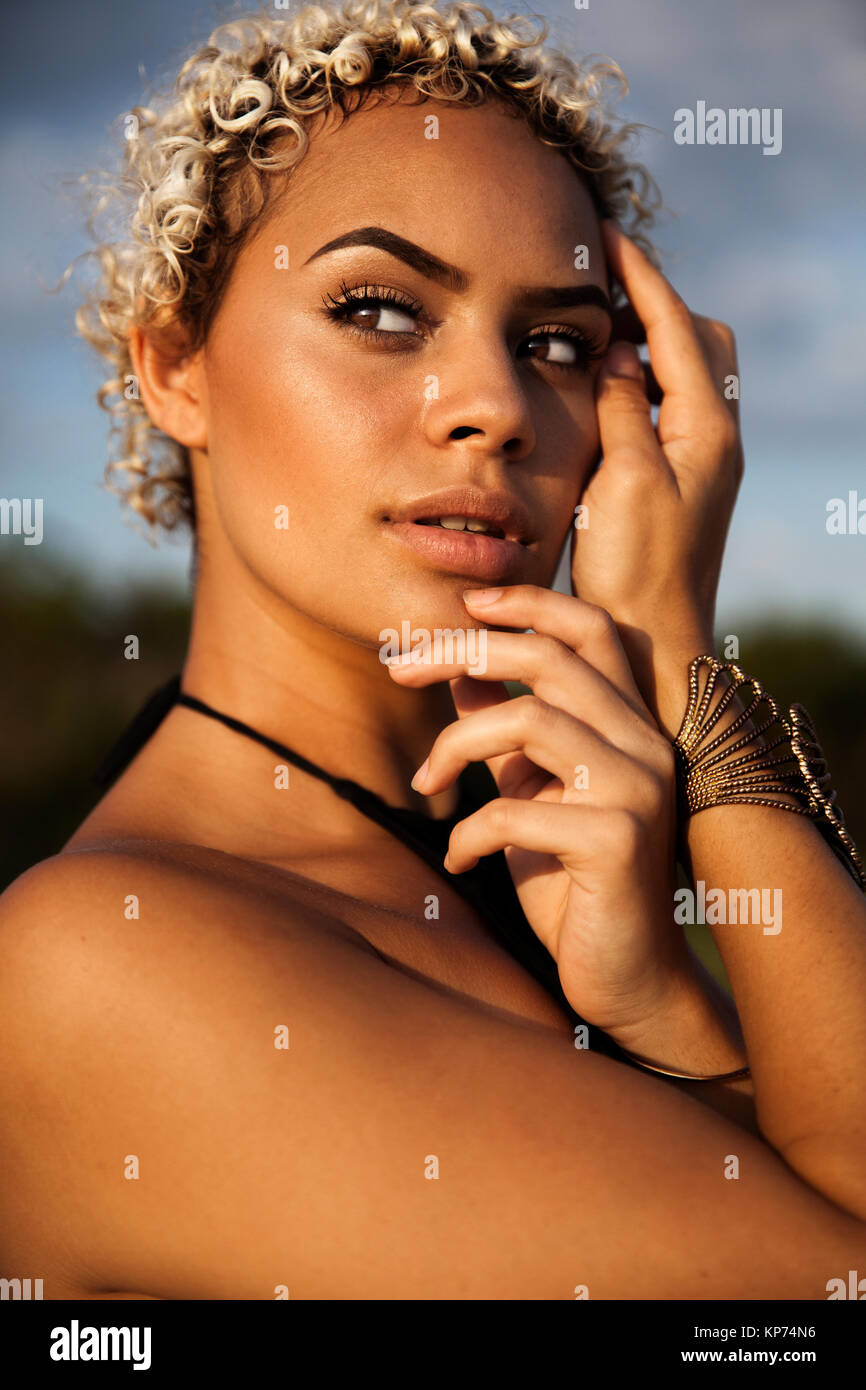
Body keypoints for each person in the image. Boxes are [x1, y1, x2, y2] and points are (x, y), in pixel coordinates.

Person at [1, 0, 864, 1300]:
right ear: (176, 367)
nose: (496, 406)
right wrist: (673, 651)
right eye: (380, 310)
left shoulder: (551, 878)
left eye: (557, 343)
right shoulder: (94, 962)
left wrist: (673, 1019)